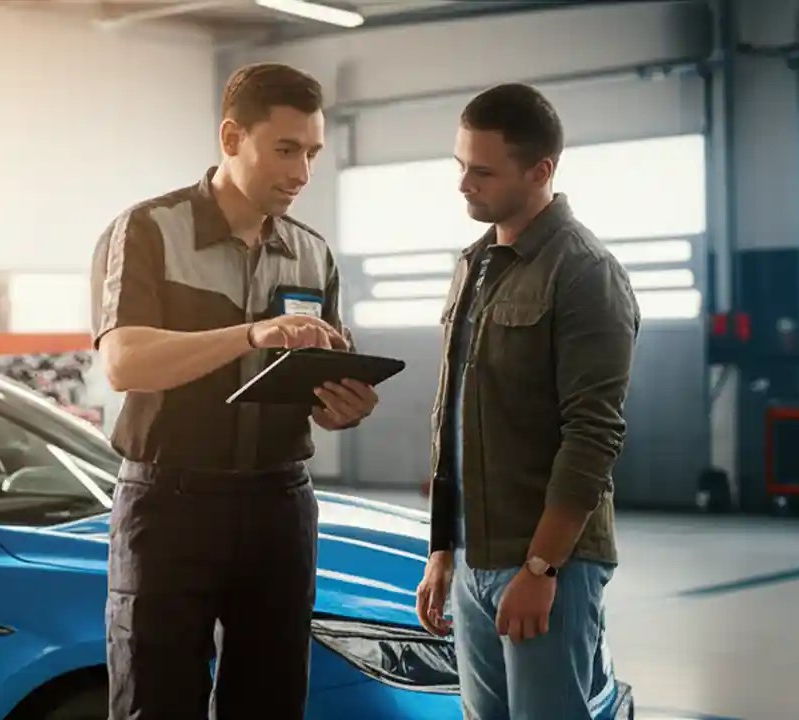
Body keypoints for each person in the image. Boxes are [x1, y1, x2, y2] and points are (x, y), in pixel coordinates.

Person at [90, 62, 379, 719]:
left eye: (311, 153)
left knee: (271, 702)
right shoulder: (147, 232)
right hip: (168, 504)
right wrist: (250, 333)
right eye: (285, 150)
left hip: (279, 504)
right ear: (230, 137)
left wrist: (344, 407)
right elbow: (125, 363)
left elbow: (324, 378)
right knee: (155, 700)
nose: (302, 173)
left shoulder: (315, 255)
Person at [413, 83, 641, 719]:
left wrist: (541, 568)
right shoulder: (475, 265)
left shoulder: (586, 272)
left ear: (541, 171)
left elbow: (593, 435)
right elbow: (452, 415)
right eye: (460, 166)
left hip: (547, 565)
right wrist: (441, 549)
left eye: (482, 172)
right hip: (473, 557)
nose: (464, 184)